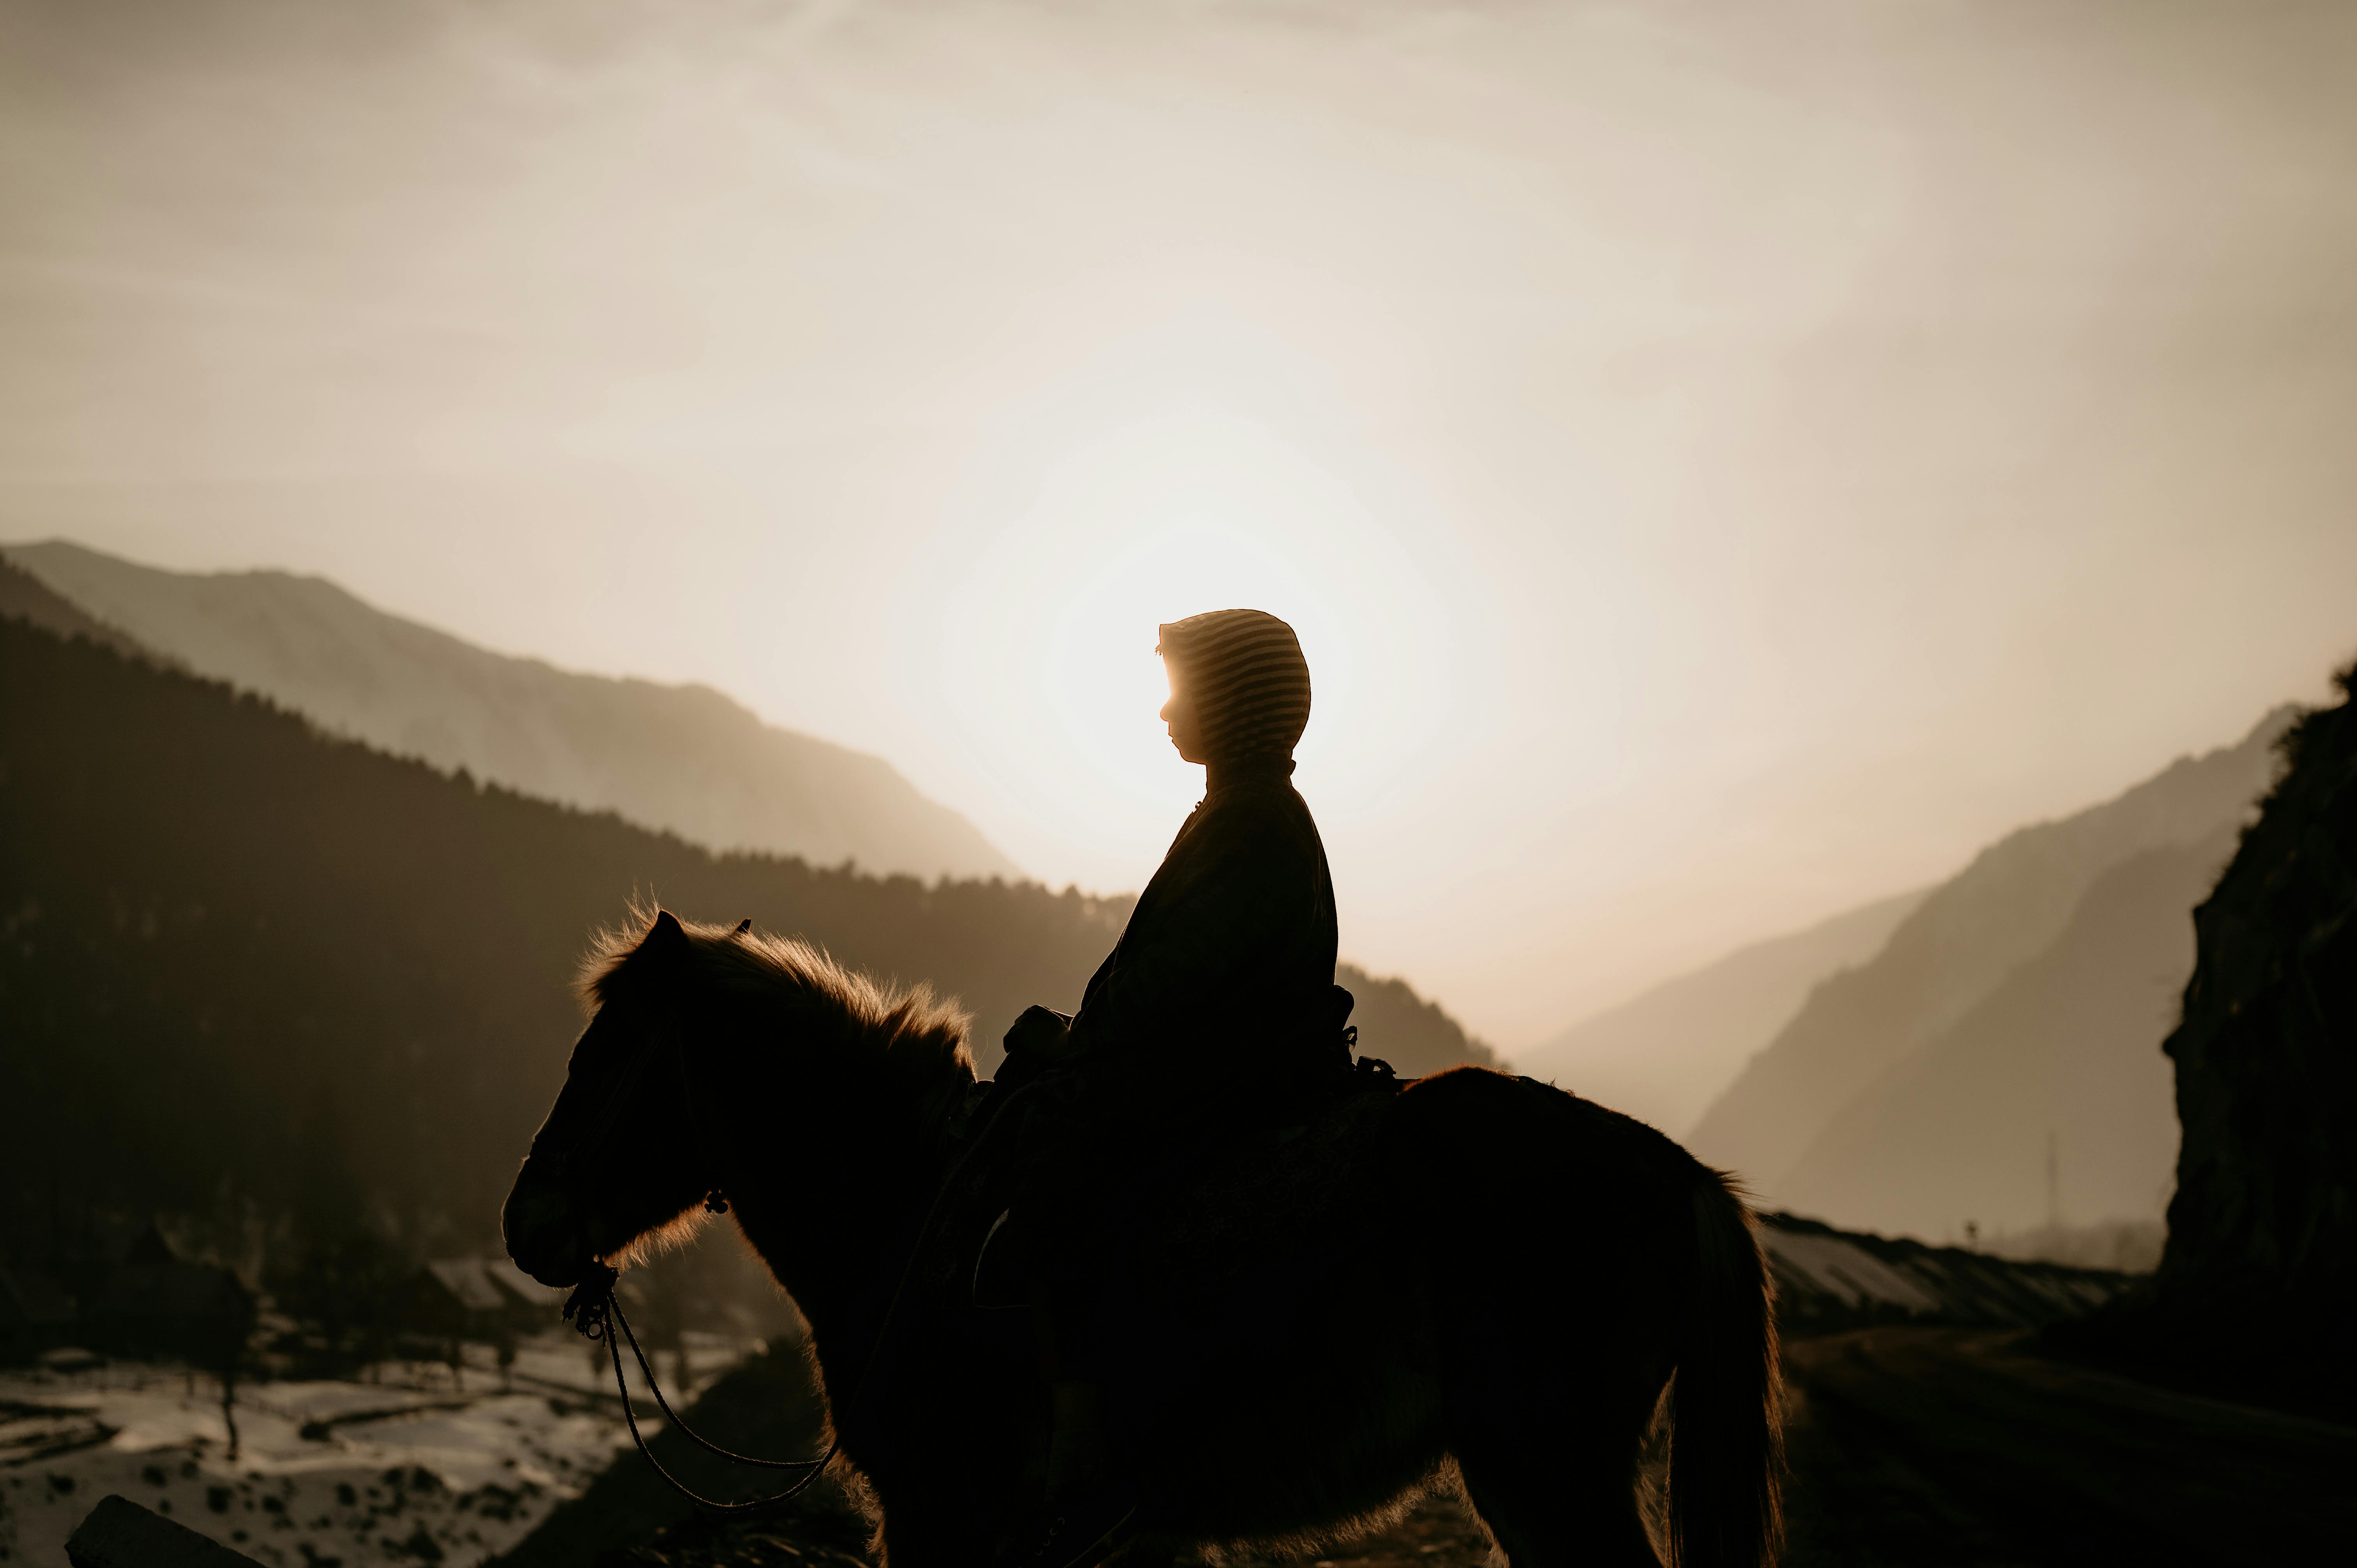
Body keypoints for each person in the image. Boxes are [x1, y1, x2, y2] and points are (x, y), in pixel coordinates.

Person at [995, 608, 1344, 1568]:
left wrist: (1074, 1052)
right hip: (1228, 1069)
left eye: (1183, 689)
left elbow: (1173, 985)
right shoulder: (1249, 813)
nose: (1163, 710)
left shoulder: (1246, 823)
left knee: (1071, 1197)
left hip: (1223, 1088)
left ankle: (1097, 1474)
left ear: (1231, 708)